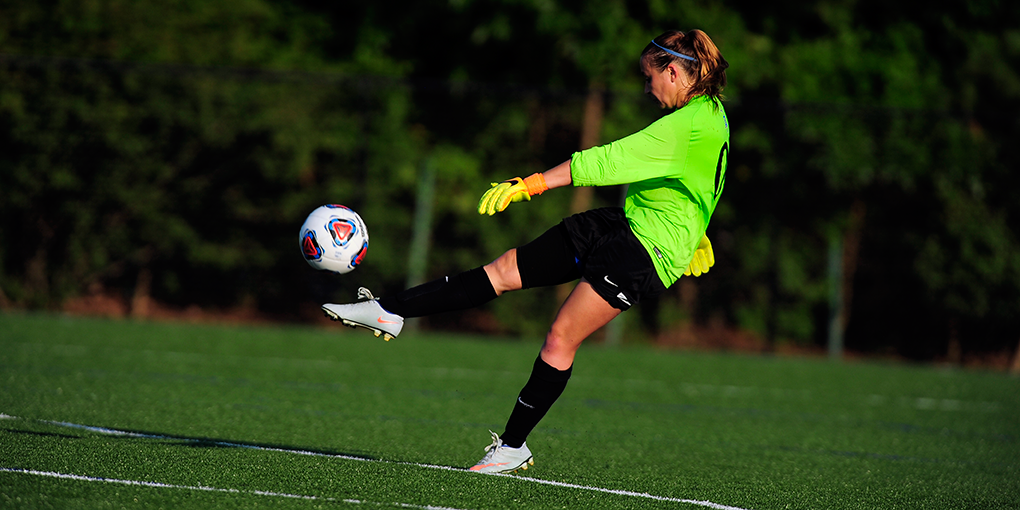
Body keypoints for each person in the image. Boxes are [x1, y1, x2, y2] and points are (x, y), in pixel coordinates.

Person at [322, 29, 729, 474]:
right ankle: (389, 310)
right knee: (503, 271)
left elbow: (606, 161)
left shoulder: (684, 124)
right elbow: (701, 177)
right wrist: (696, 226)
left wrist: (531, 184)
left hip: (644, 251)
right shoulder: (709, 116)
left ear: (672, 71)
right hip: (625, 224)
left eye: (649, 77)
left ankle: (513, 447)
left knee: (560, 337)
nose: (646, 87)